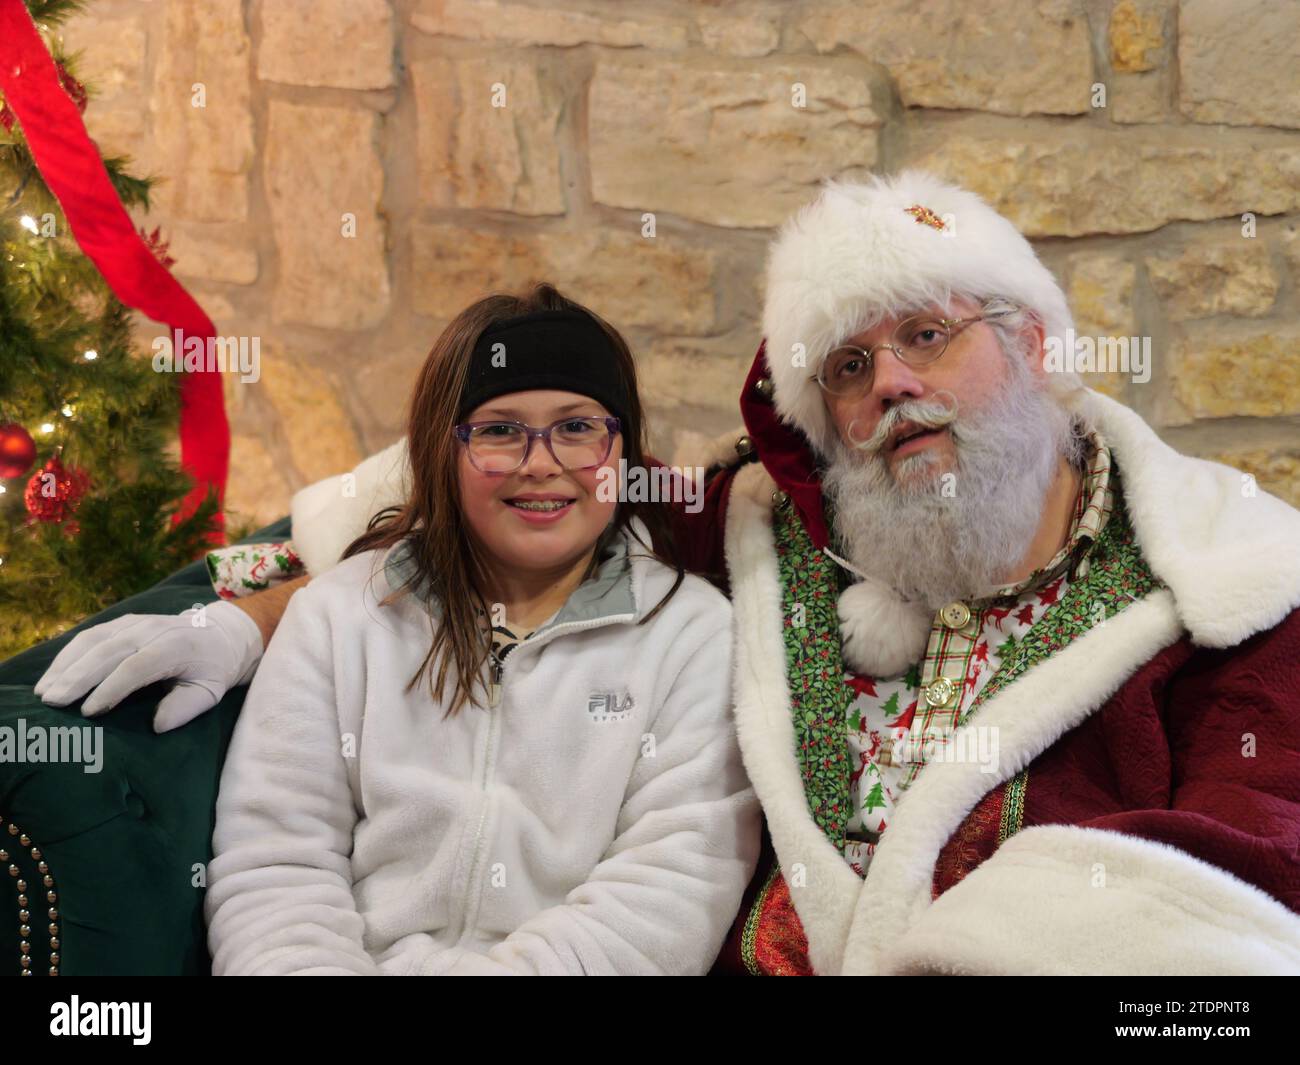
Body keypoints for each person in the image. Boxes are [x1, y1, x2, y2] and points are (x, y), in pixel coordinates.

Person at [40, 172, 1300, 975]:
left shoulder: (1217, 584)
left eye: (926, 335)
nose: (892, 386)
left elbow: (1234, 882)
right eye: (847, 368)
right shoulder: (770, 535)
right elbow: (490, 498)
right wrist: (248, 613)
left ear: (1028, 342)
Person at [51, 283, 761, 975]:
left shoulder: (692, 636)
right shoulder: (340, 617)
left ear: (622, 454)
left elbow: (669, 893)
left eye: (578, 428)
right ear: (440, 453)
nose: (541, 462)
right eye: (499, 431)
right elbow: (277, 862)